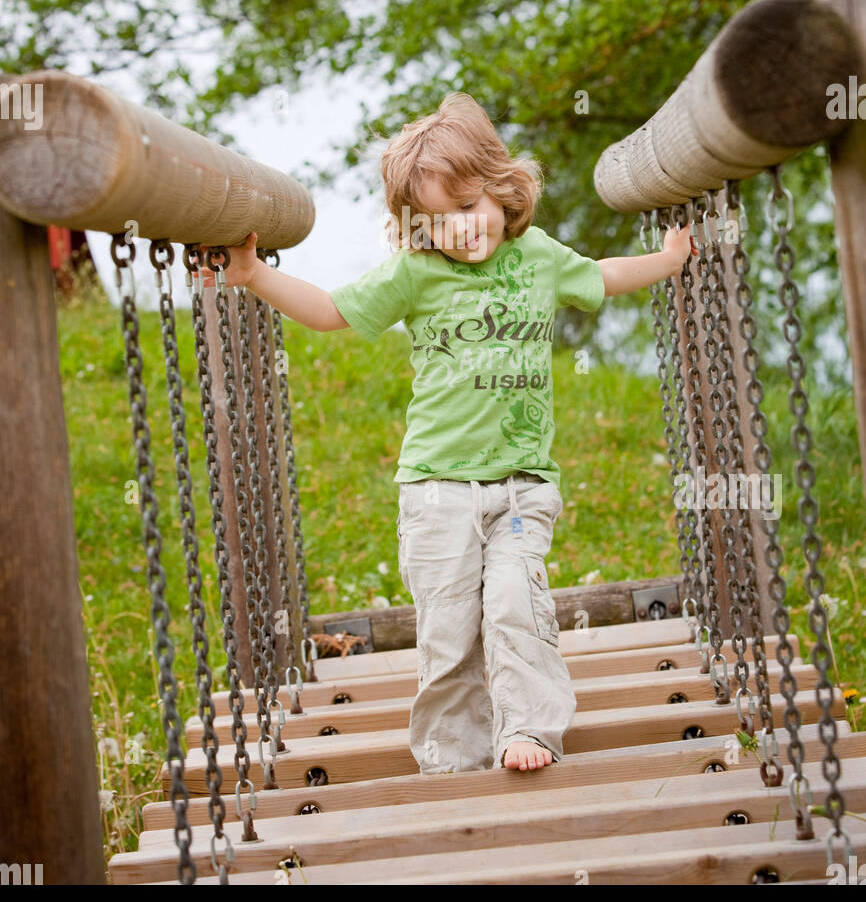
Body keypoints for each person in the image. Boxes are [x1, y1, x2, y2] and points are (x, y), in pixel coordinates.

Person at [201, 93, 696, 775]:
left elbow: (601, 277)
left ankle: (529, 728)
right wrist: (254, 275)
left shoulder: (539, 257)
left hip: (522, 483)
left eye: (467, 209)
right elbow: (330, 312)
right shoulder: (415, 274)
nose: (459, 231)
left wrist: (667, 262)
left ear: (501, 189)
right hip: (436, 489)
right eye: (435, 222)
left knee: (518, 602)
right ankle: (452, 758)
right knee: (449, 628)